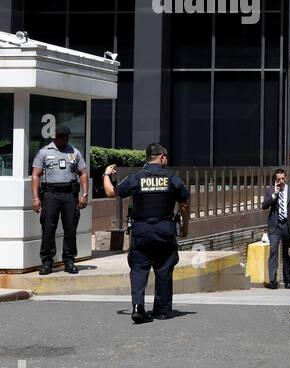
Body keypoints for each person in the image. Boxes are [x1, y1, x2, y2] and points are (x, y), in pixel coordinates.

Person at [103, 144, 190, 323]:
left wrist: (106, 174)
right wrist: (185, 226)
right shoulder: (172, 178)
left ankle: (137, 307)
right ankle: (162, 310)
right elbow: (184, 204)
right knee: (164, 268)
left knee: (138, 268)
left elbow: (111, 192)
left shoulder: (136, 178)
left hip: (141, 230)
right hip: (164, 230)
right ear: (162, 157)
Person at [30, 123, 90, 275]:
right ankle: (47, 262)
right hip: (50, 194)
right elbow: (36, 175)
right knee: (48, 228)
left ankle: (69, 261)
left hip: (69, 195)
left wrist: (84, 194)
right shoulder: (44, 152)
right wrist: (36, 198)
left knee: (70, 227)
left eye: (66, 137)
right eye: (61, 136)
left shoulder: (75, 152)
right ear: (55, 137)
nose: (64, 139)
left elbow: (83, 173)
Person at [261, 168, 290, 290]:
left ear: (286, 178)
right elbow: (264, 206)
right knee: (273, 251)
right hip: (275, 226)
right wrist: (274, 194)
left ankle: (287, 281)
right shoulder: (271, 190)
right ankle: (273, 281)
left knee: (287, 253)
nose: (281, 181)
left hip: (287, 225)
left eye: (283, 179)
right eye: (278, 179)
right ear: (275, 180)